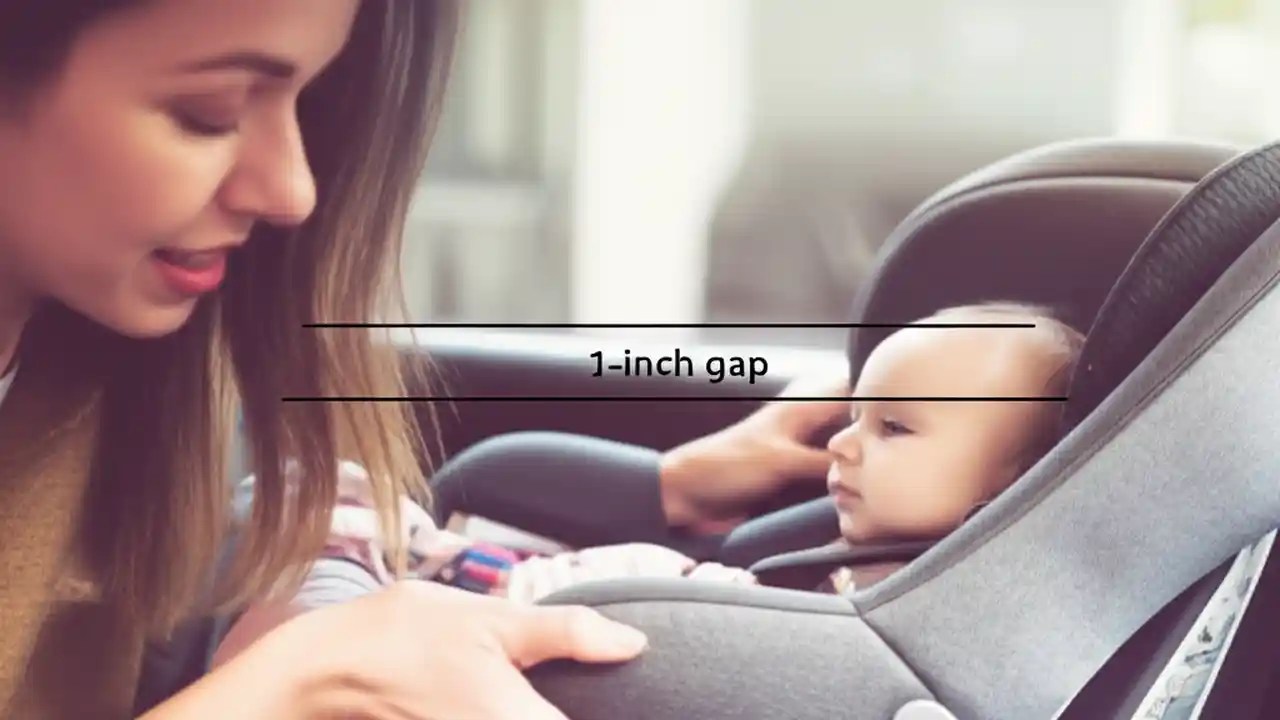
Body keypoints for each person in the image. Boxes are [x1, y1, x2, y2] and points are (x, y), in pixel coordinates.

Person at [0, 2, 849, 717]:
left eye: (308, 101)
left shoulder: (105, 380)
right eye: (212, 111)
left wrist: (661, 490)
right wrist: (286, 687)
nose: (293, 188)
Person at [209, 301, 1083, 642]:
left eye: (892, 428)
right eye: (851, 418)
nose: (843, 446)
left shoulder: (870, 629)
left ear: (1011, 496)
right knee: (312, 495)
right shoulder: (839, 561)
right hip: (504, 589)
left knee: (296, 513)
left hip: (486, 627)